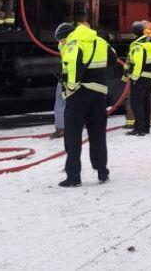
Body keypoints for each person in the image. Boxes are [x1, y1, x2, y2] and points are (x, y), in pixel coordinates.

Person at [57, 21, 113, 186]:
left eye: (61, 41)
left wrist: (71, 88)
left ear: (66, 36)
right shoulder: (101, 41)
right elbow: (113, 58)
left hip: (79, 94)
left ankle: (73, 176)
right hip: (99, 94)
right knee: (98, 133)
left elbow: (73, 66)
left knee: (73, 135)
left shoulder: (74, 43)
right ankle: (102, 171)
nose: (60, 44)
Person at [124, 20, 151, 136]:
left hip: (139, 79)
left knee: (136, 103)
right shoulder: (150, 45)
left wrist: (133, 77)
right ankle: (145, 128)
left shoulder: (138, 46)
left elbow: (138, 64)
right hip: (149, 78)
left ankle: (139, 129)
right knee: (145, 103)